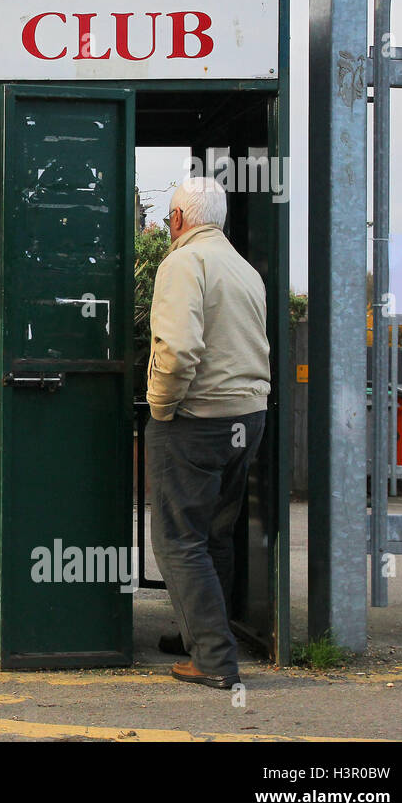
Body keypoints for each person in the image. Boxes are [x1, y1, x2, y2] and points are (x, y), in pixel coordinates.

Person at [146, 176, 271, 689]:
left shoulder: (182, 262)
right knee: (216, 533)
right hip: (249, 417)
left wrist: (160, 406)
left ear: (177, 220)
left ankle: (214, 659)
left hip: (198, 420)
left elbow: (178, 350)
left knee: (178, 539)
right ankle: (200, 634)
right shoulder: (243, 268)